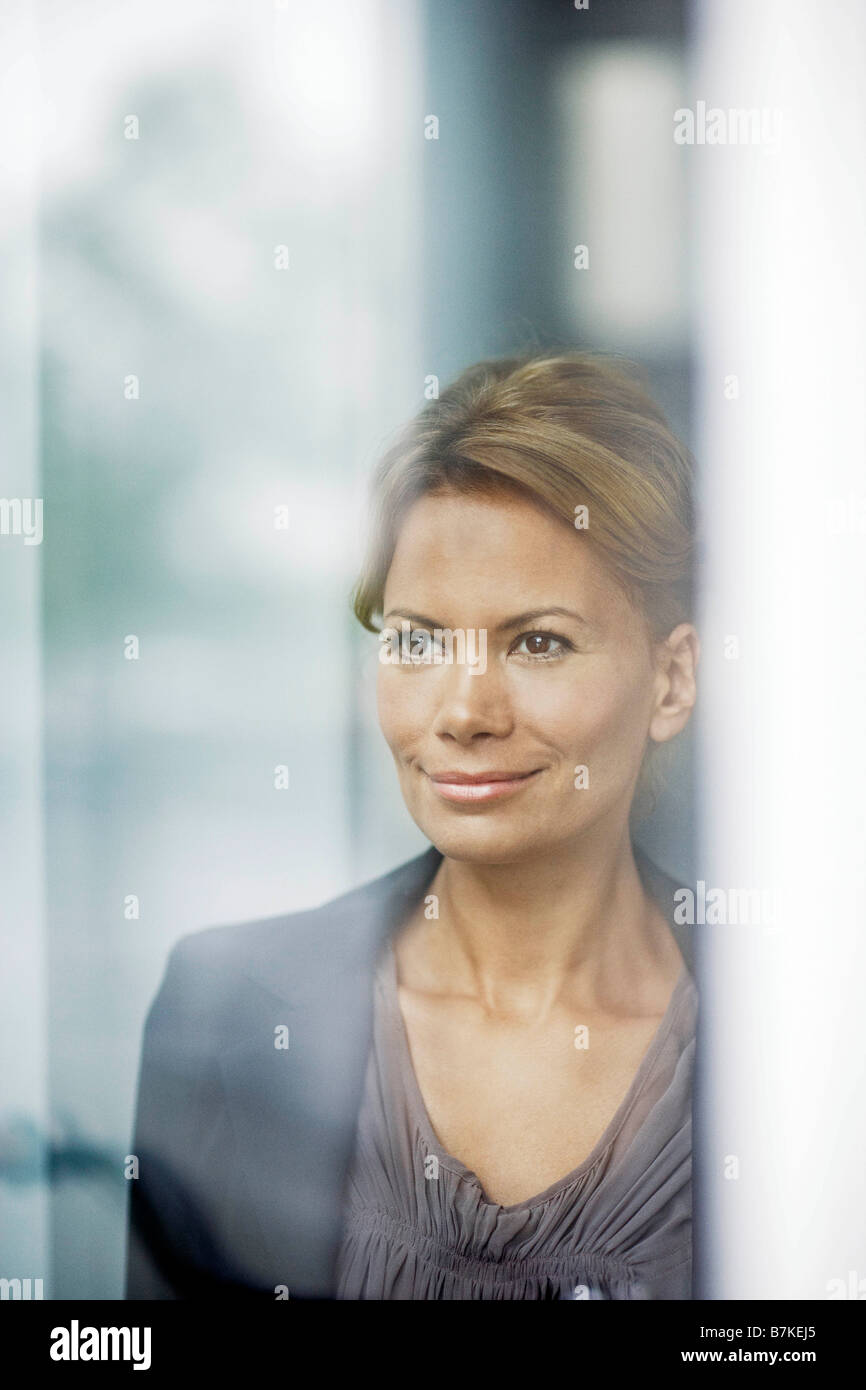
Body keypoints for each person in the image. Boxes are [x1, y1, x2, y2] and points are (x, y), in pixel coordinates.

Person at [125, 351, 700, 1300]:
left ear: (671, 680)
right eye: (418, 641)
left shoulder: (793, 1036)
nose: (463, 712)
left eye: (538, 642)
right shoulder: (226, 1015)